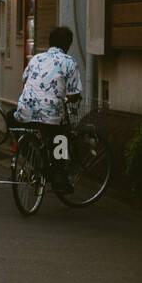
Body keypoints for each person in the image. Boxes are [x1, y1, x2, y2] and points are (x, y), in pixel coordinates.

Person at [15, 25, 83, 193]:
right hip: (50, 115)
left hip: (25, 110)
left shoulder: (36, 58)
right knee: (62, 136)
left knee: (13, 119)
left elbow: (24, 80)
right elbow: (74, 94)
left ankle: (31, 156)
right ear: (68, 45)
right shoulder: (69, 62)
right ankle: (59, 175)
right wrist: (72, 97)